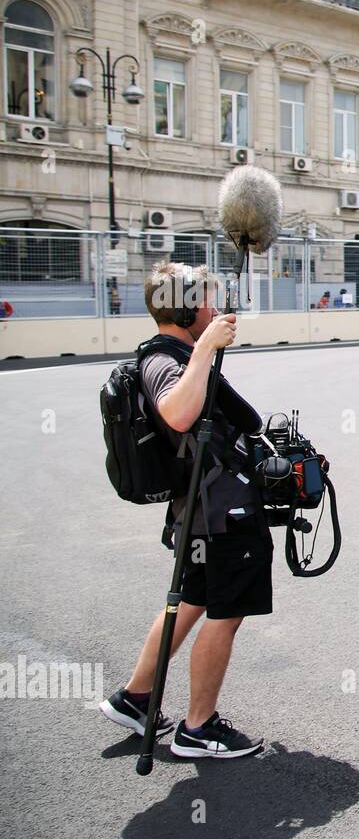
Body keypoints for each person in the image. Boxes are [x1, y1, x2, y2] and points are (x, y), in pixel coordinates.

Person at [99, 262, 269, 759]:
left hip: (202, 511)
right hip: (220, 515)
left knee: (193, 600)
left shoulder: (175, 353)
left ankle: (135, 698)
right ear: (186, 307)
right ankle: (199, 727)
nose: (215, 310)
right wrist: (207, 348)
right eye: (208, 302)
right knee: (226, 612)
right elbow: (177, 412)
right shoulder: (161, 358)